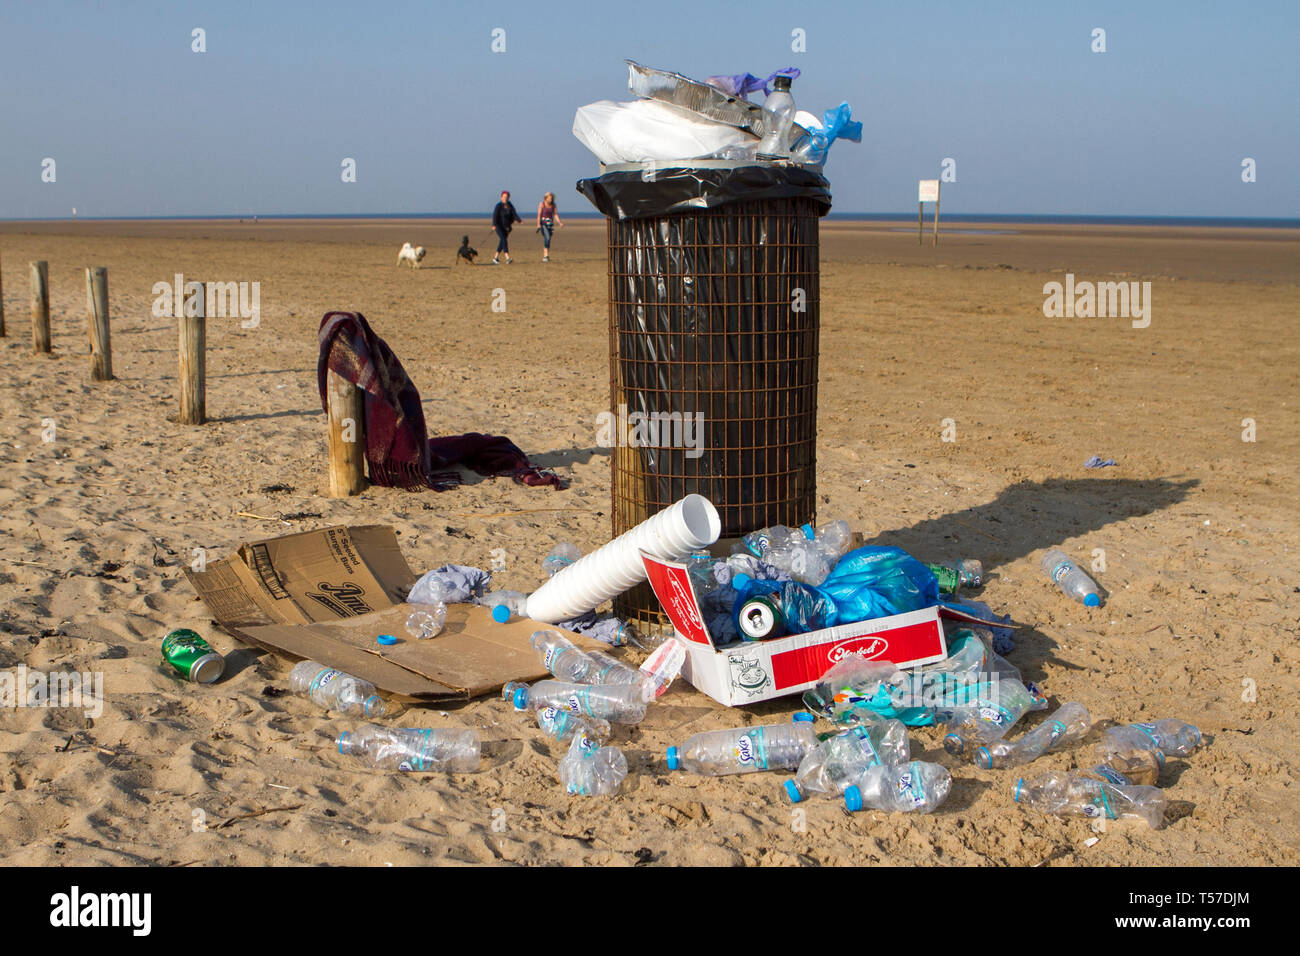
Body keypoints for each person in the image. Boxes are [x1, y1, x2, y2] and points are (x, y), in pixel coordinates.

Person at [491, 190, 522, 264]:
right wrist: (494, 225)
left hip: (507, 227)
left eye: (506, 197)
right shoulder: (498, 206)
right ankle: (507, 258)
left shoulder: (510, 205)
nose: (505, 198)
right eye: (504, 197)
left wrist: (519, 220)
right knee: (504, 239)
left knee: (502, 241)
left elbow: (514, 214)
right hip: (499, 226)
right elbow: (495, 215)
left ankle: (495, 257)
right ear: (501, 197)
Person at [536, 191, 564, 262]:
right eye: (549, 198)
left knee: (548, 239)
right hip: (543, 223)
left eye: (551, 198)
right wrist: (538, 224)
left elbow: (555, 214)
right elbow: (539, 214)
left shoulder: (553, 205)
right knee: (547, 237)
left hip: (550, 224)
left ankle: (547, 255)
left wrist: (559, 222)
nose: (550, 200)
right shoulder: (542, 204)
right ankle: (545, 255)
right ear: (546, 198)